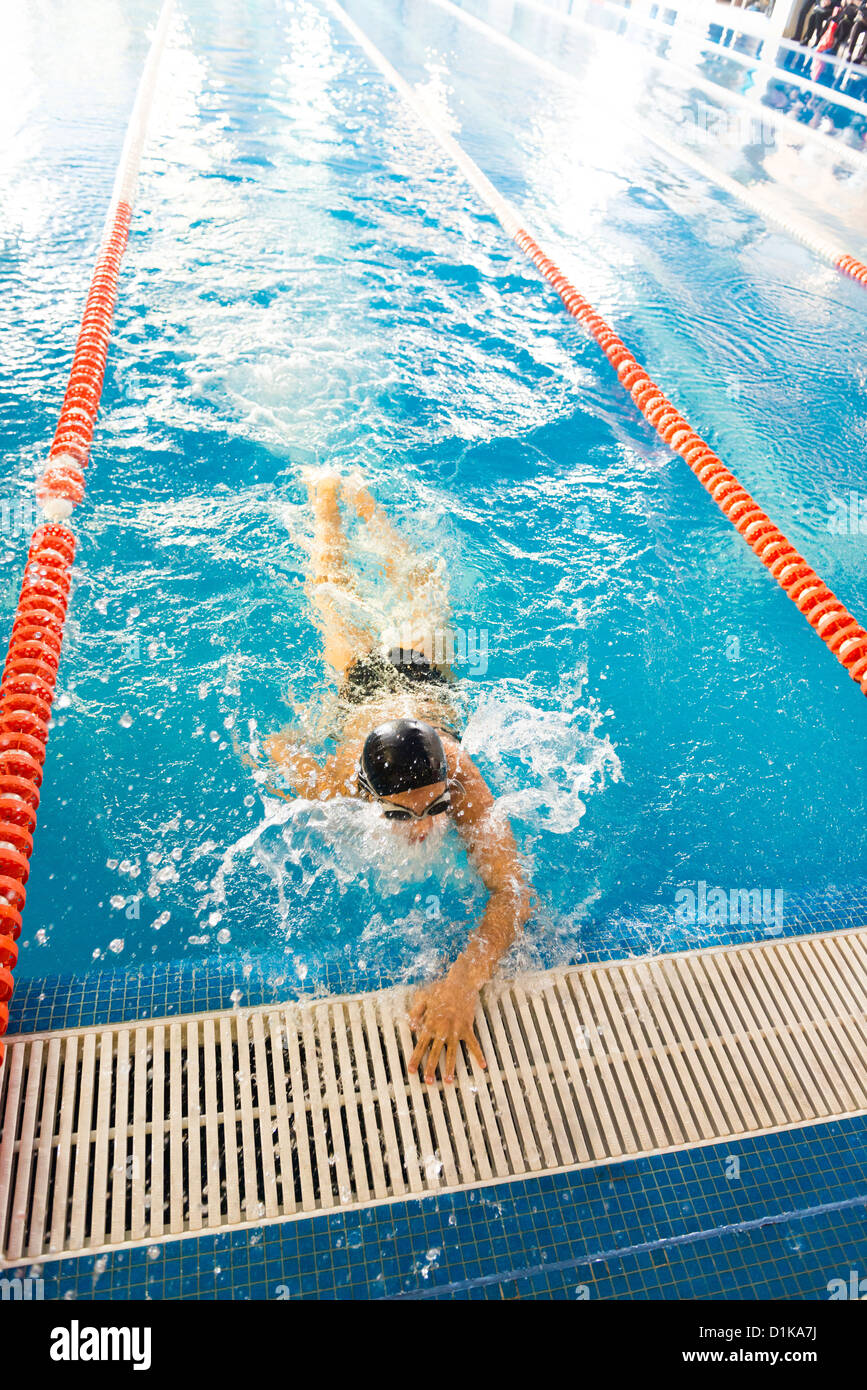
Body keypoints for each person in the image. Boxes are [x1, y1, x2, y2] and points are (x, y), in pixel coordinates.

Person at [242, 470, 533, 1084]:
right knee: (331, 593)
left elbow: (514, 891)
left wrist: (463, 982)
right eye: (401, 814)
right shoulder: (341, 782)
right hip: (361, 694)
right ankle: (325, 500)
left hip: (424, 674)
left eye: (434, 808)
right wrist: (296, 736)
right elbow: (274, 749)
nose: (424, 827)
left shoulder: (459, 771)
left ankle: (366, 503)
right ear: (370, 794)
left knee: (412, 580)